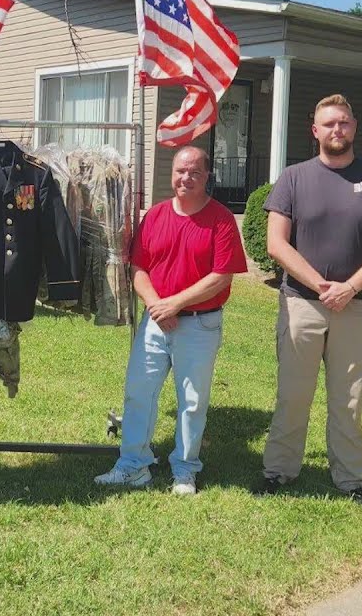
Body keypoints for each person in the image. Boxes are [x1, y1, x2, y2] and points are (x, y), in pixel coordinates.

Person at [259, 94, 362, 511]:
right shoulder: (293, 177)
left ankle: (350, 481)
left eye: (343, 122)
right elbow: (276, 243)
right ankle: (278, 472)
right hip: (301, 304)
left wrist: (350, 288)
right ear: (315, 131)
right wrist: (322, 285)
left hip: (356, 307)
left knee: (349, 398)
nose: (336, 130)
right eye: (329, 124)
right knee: (293, 393)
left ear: (354, 127)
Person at [94, 146, 248, 495]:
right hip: (155, 321)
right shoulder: (156, 216)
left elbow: (222, 276)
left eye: (194, 172)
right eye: (180, 171)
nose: (186, 177)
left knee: (192, 402)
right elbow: (138, 267)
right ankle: (134, 465)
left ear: (207, 176)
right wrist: (155, 304)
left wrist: (174, 304)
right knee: (138, 393)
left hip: (199, 324)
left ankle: (184, 470)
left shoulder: (221, 220)